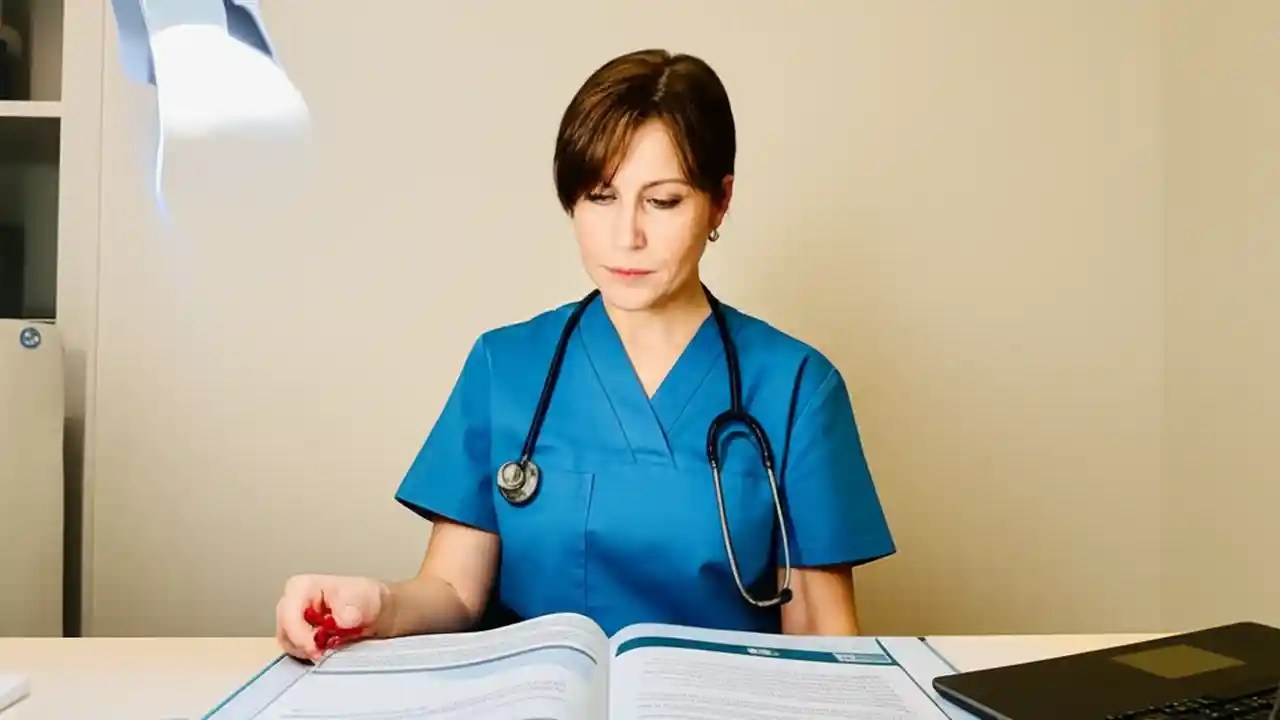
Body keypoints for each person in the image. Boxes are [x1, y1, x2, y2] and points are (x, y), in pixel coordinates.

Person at [275, 48, 895, 662]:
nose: (627, 235)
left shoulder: (796, 388)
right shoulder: (505, 366)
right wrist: (376, 606)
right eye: (601, 197)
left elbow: (821, 635)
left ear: (719, 201)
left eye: (663, 200)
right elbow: (454, 593)